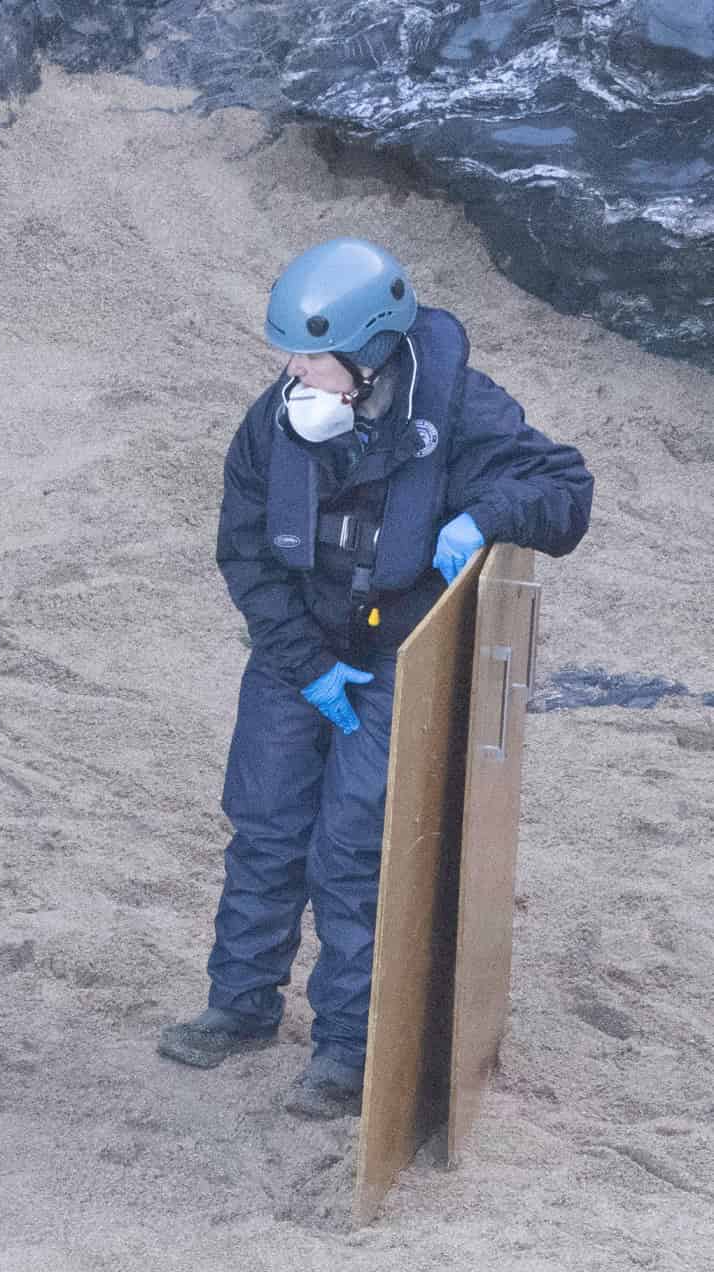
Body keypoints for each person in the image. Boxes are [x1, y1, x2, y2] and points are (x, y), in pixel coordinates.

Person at [158, 238, 592, 1118]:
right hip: (301, 650)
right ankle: (239, 1004)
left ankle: (347, 1050)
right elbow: (246, 555)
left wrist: (486, 515)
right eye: (289, 355)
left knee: (354, 848)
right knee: (265, 822)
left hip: (400, 656)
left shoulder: (459, 408)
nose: (293, 373)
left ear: (370, 354)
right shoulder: (272, 425)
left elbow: (564, 488)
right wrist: (307, 663)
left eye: (311, 358)